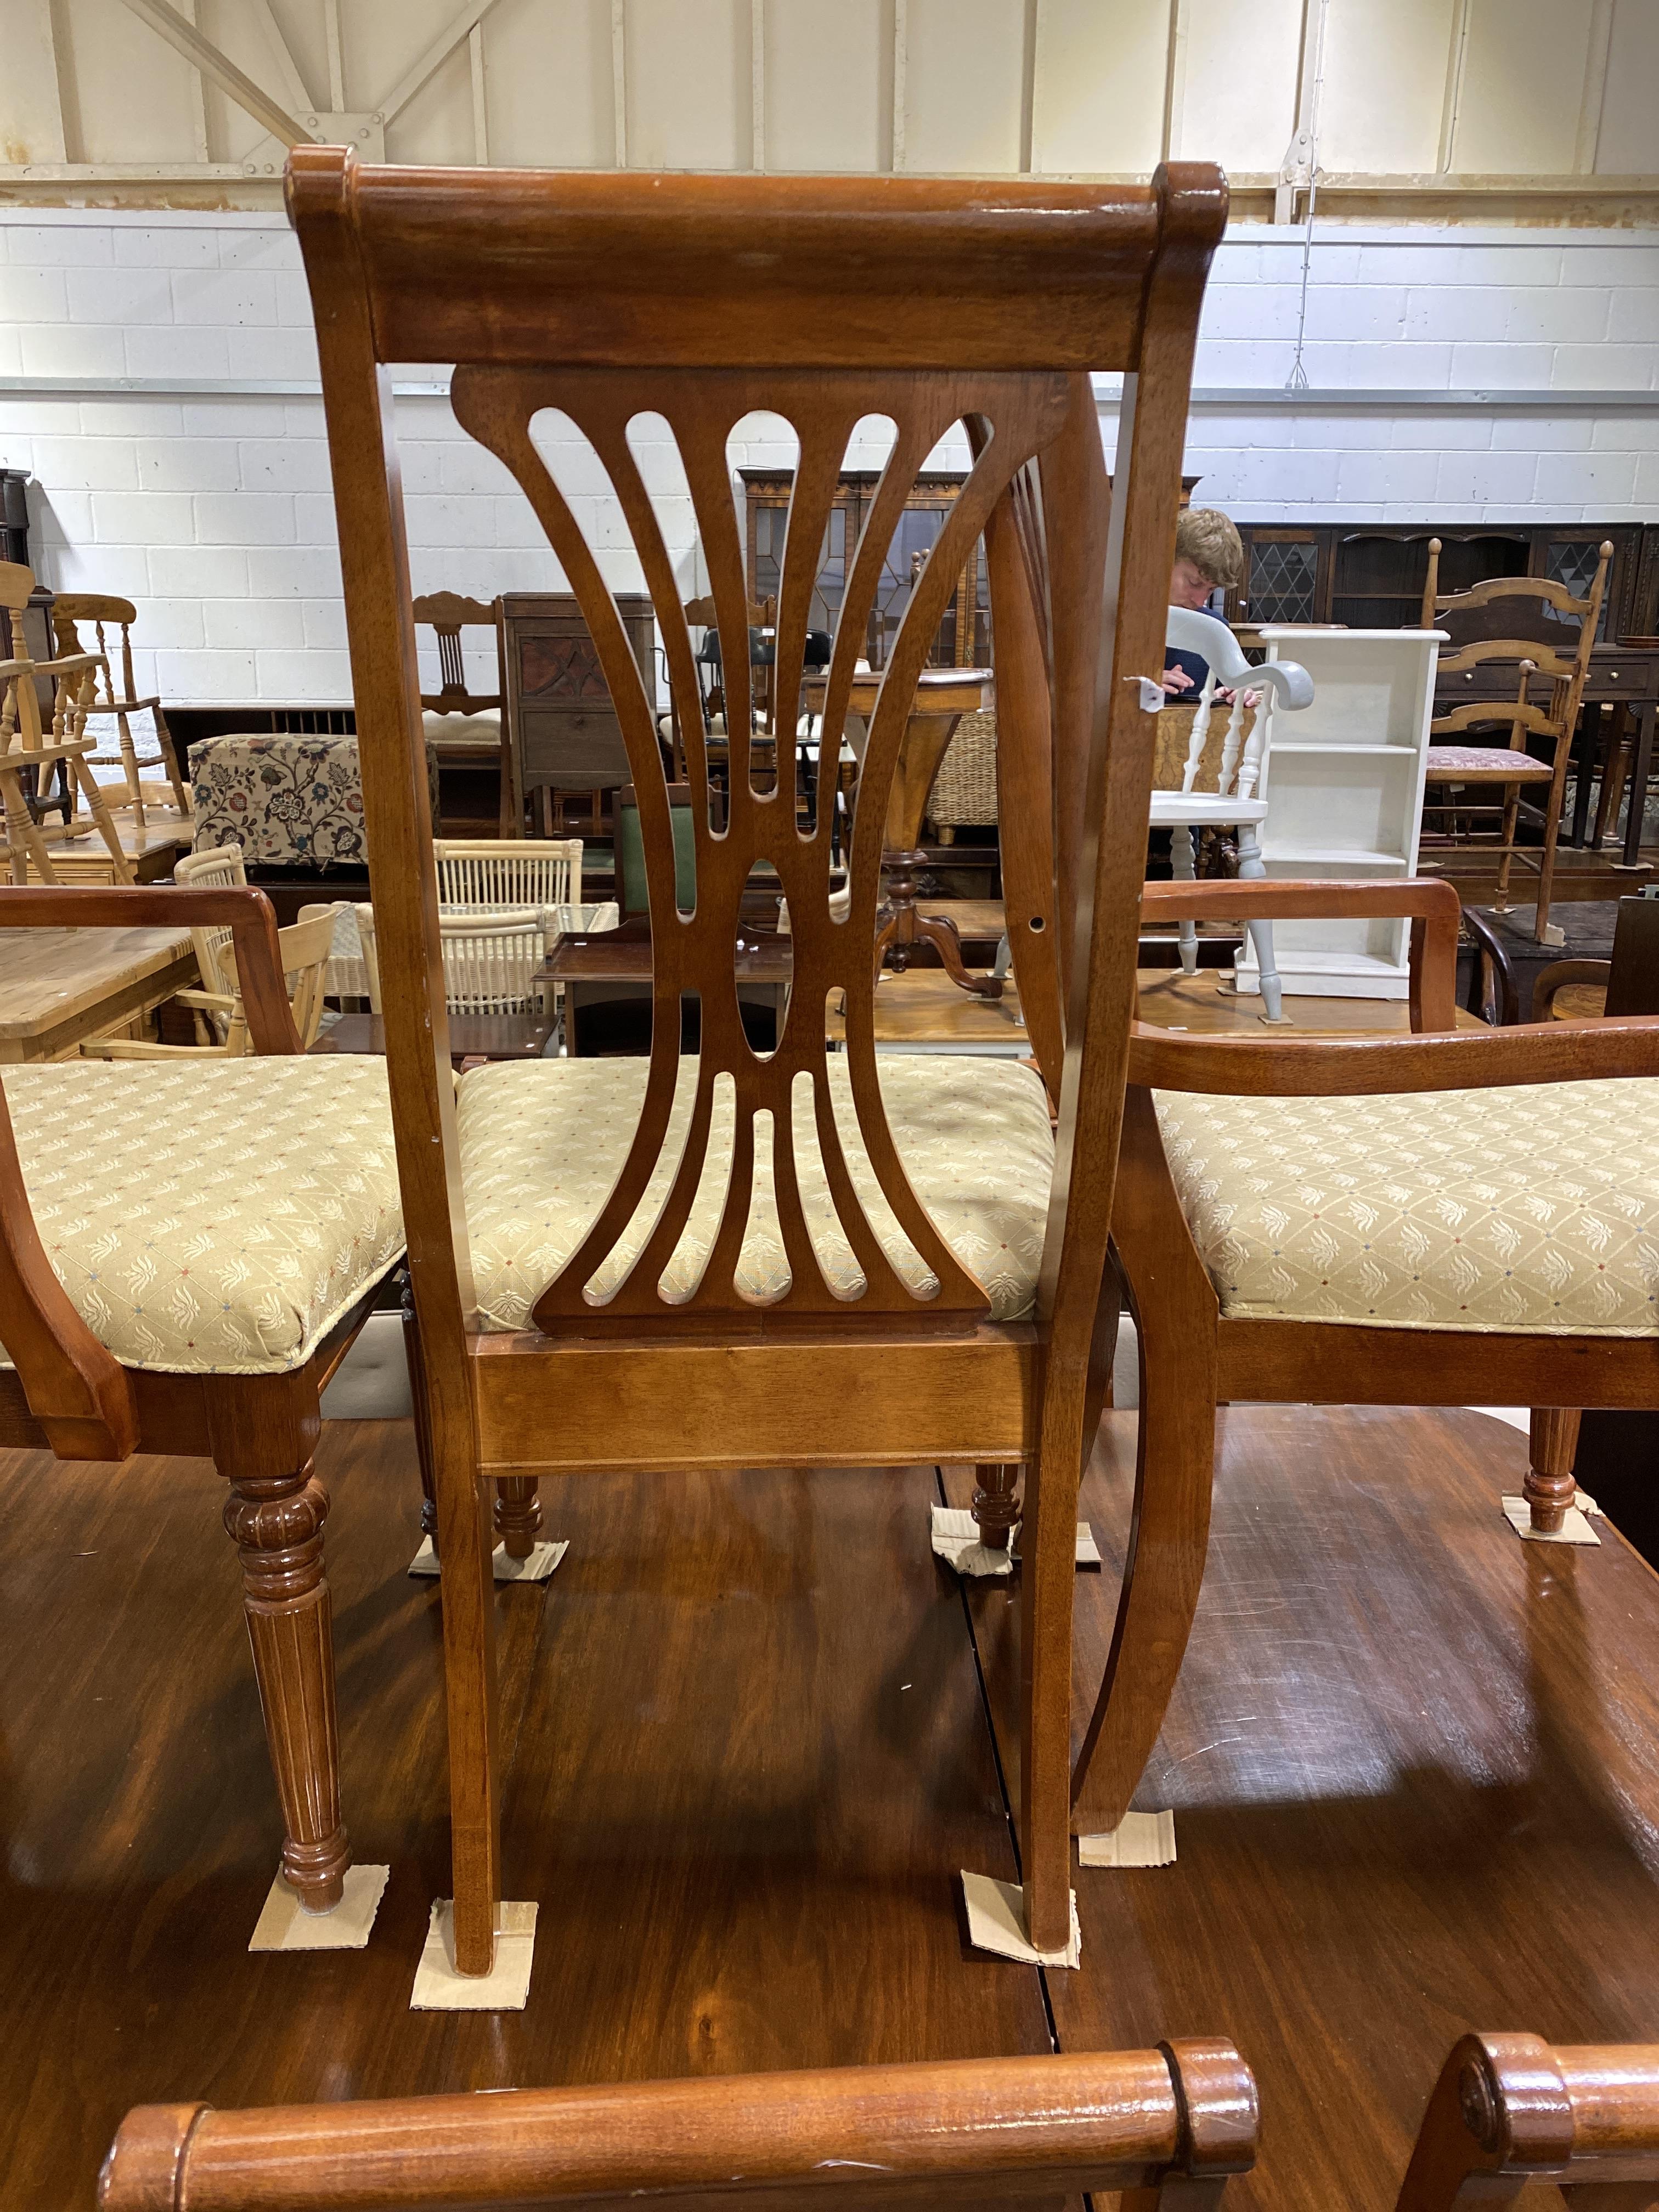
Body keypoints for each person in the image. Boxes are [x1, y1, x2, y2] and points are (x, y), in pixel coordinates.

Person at [1163, 506, 1245, 699]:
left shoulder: (1215, 629)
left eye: (1211, 590)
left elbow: (1232, 688)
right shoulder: (1114, 620)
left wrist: (1237, 693)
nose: (1200, 602)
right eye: (1195, 583)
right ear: (1166, 561)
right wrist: (1137, 686)